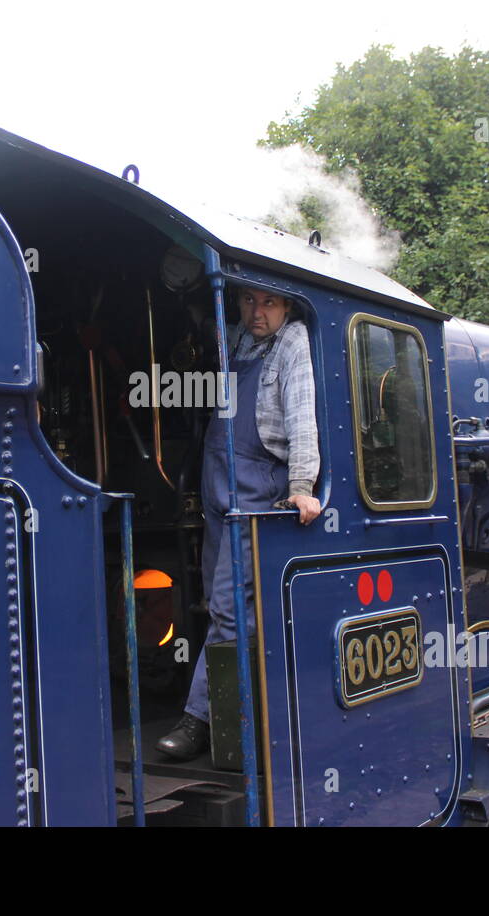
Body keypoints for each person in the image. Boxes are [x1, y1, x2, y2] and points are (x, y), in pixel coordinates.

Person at [156, 286, 321, 759]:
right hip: (216, 482)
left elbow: (301, 416)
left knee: (228, 606)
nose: (257, 312)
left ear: (287, 305)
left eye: (268, 303)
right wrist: (185, 300)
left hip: (256, 486)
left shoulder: (293, 343)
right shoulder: (241, 341)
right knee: (218, 601)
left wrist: (302, 487)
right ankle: (245, 714)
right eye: (248, 301)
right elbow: (213, 330)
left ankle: (201, 720)